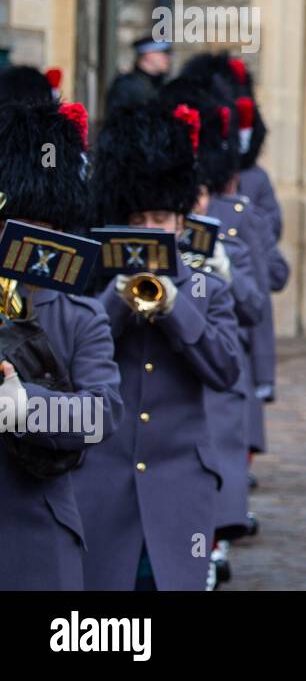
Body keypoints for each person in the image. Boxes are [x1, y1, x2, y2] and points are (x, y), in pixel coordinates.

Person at [74, 101, 241, 590]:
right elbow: (69, 360)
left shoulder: (208, 288)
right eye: (140, 217)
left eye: (161, 218)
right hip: (103, 483)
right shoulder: (91, 289)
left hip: (178, 485)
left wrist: (174, 308)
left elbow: (226, 370)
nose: (150, 230)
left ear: (180, 222)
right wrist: (117, 295)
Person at [0, 100, 122, 590]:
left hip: (33, 536)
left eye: (42, 228)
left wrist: (26, 407)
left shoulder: (80, 316)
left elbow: (102, 414)